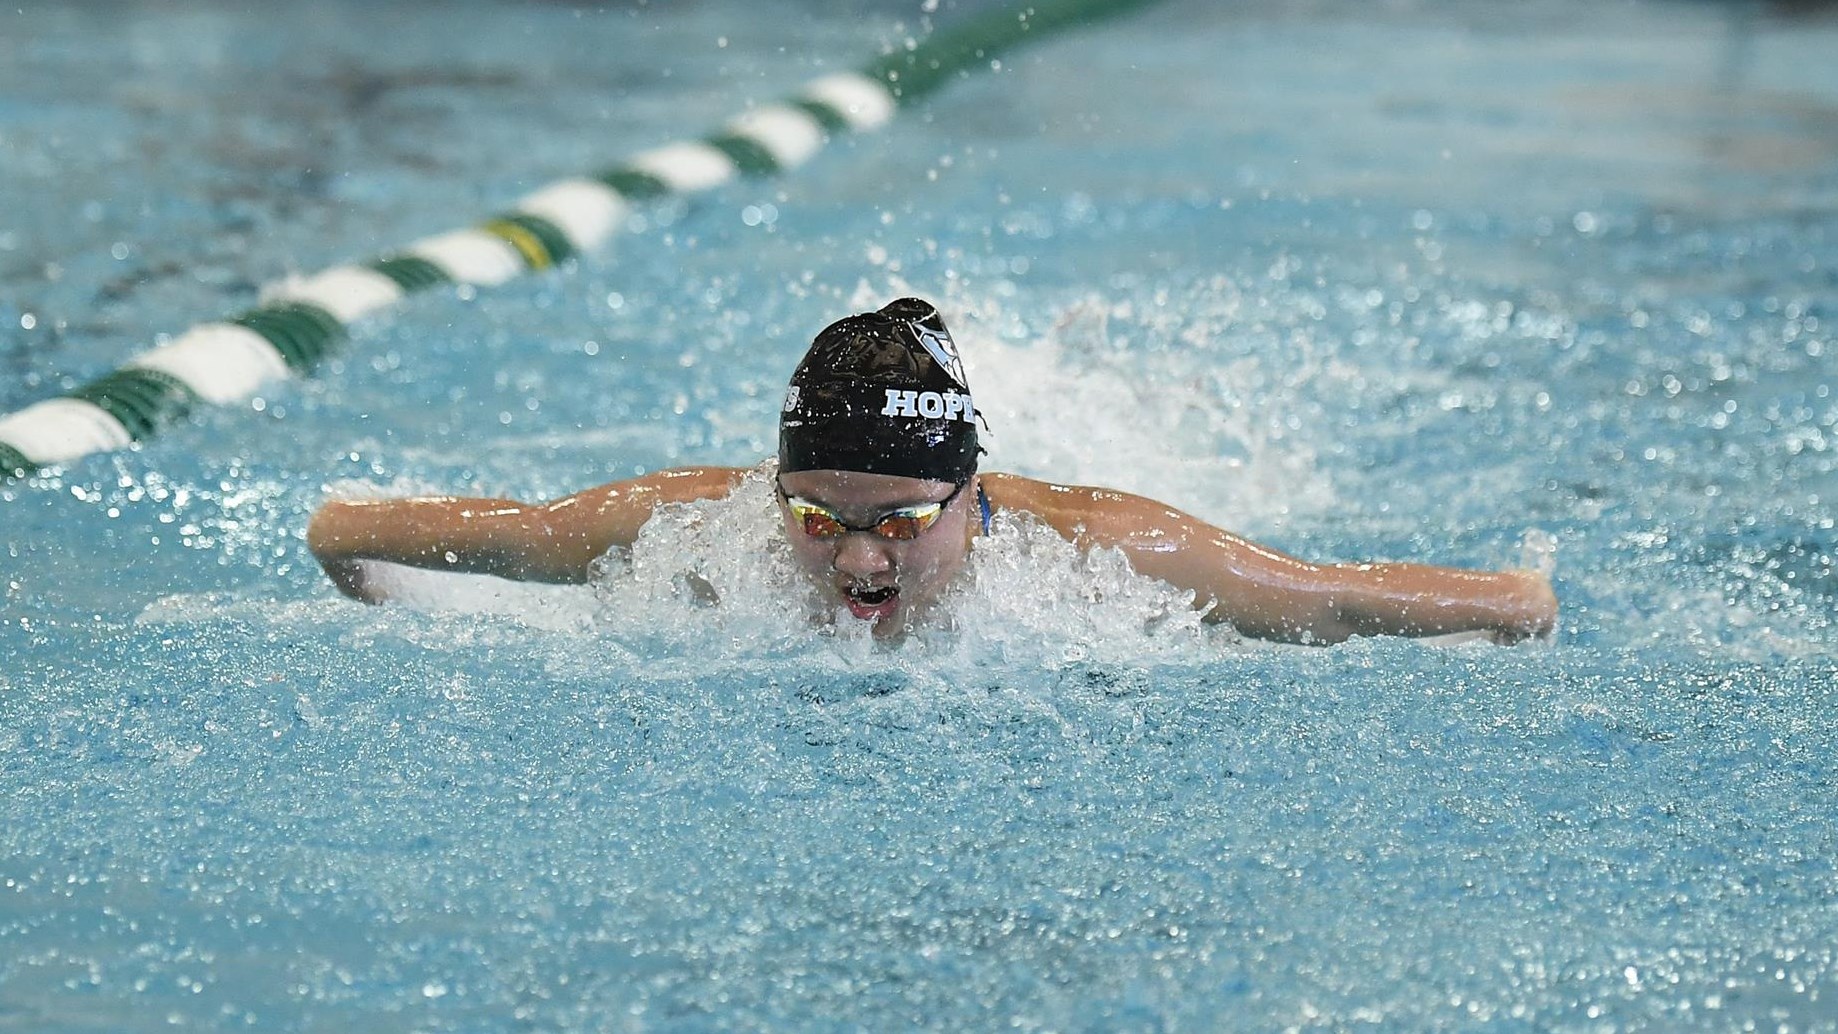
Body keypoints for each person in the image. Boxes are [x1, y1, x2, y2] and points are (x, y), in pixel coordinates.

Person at [307, 297, 1557, 644]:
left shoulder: (1101, 553)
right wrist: (354, 563)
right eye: (817, 515)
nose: (857, 559)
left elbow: (1325, 594)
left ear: (973, 495)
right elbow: (434, 531)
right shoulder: (695, 529)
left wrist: (1514, 603)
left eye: (903, 521)